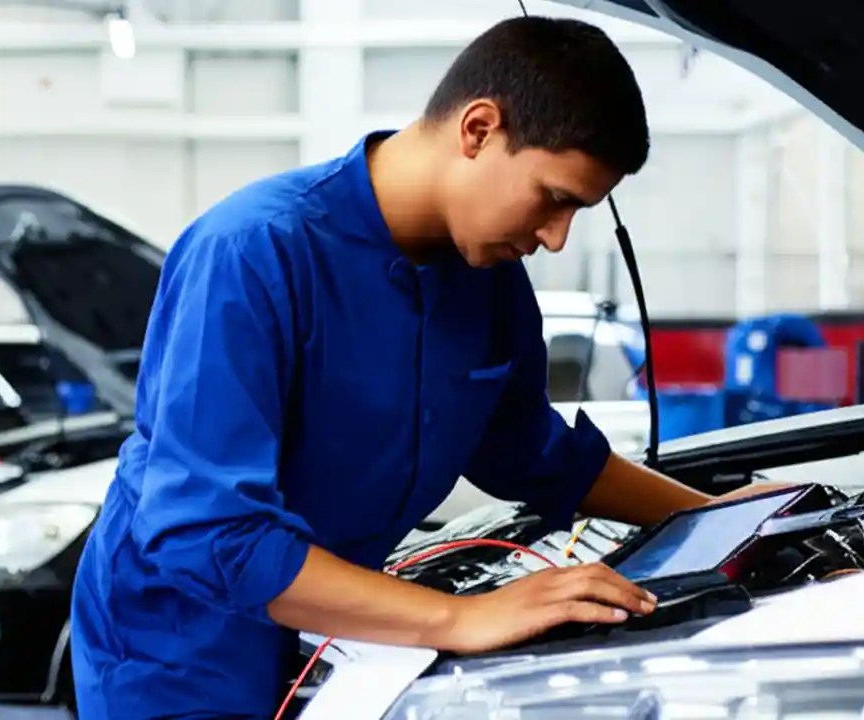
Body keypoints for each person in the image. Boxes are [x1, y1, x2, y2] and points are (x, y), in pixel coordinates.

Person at [69, 15, 774, 719]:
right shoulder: (253, 253)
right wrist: (459, 619)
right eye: (554, 199)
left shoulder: (485, 275)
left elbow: (528, 450)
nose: (556, 240)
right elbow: (209, 533)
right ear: (478, 130)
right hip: (175, 646)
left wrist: (714, 516)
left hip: (336, 624)